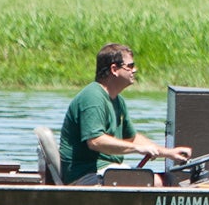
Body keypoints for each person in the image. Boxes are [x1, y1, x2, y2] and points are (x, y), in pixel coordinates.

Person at [59, 43, 190, 183]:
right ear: (114, 69)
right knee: (159, 183)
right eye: (130, 66)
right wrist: (137, 149)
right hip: (85, 176)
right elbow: (95, 141)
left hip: (109, 171)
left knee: (167, 180)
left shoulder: (118, 100)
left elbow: (132, 138)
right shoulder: (93, 97)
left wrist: (168, 153)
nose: (135, 70)